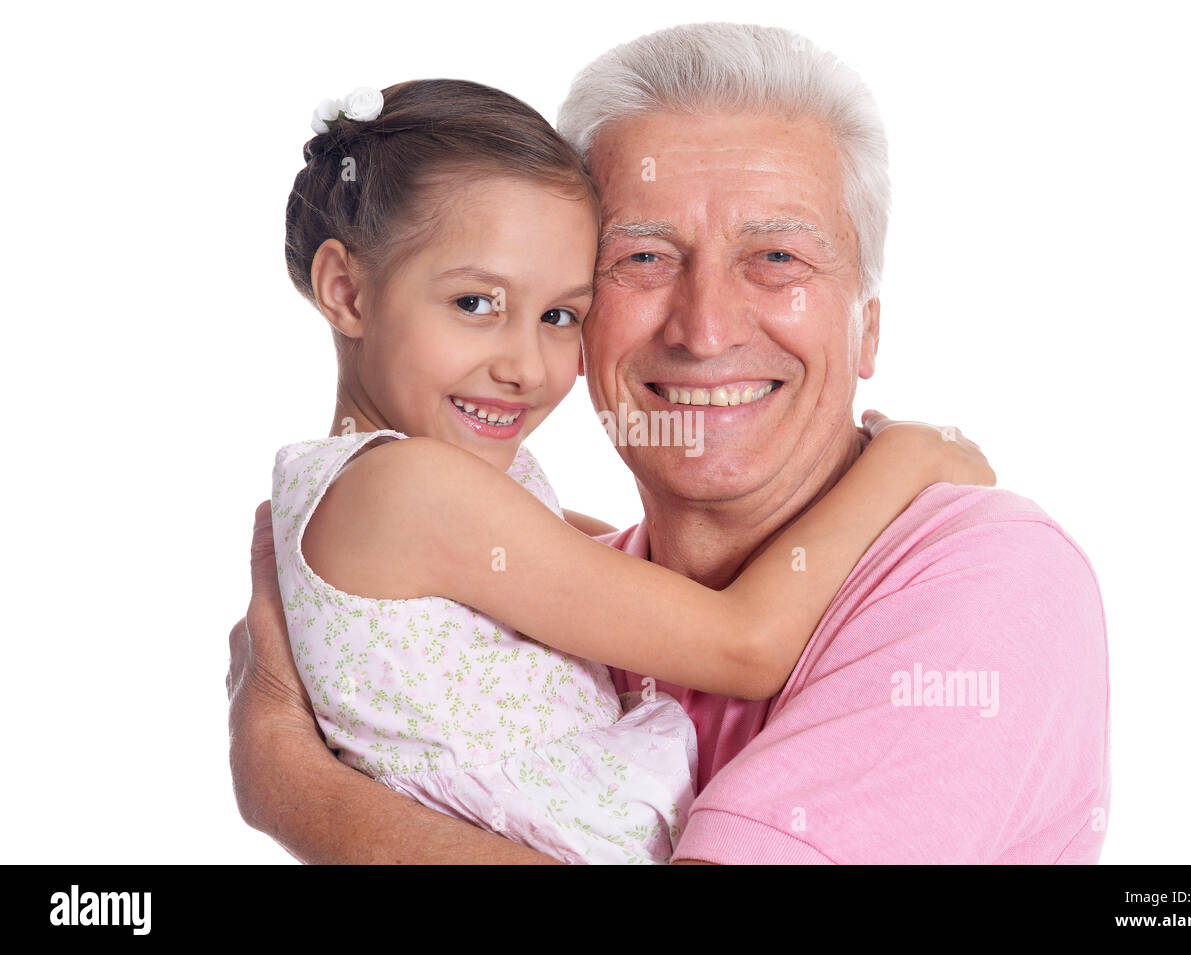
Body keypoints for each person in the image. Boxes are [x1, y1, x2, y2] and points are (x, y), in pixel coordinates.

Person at [229, 23, 1110, 864]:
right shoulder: (536, 583)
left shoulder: (985, 578)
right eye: (644, 259)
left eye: (775, 257)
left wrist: (298, 789)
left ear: (866, 329)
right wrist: (910, 451)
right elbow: (738, 636)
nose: (705, 327)